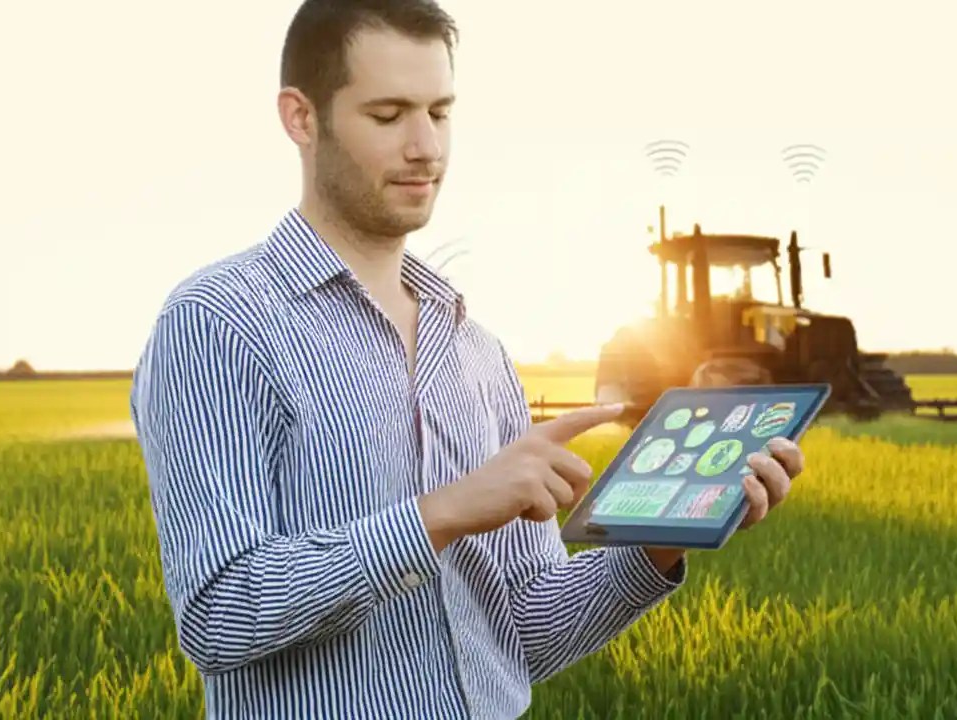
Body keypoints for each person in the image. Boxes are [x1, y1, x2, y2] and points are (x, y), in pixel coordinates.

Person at [128, 1, 805, 718]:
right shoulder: (217, 323)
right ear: (301, 118)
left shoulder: (477, 354)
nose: (426, 147)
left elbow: (522, 634)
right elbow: (219, 616)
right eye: (388, 116)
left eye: (440, 112)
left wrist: (662, 541)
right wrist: (444, 513)